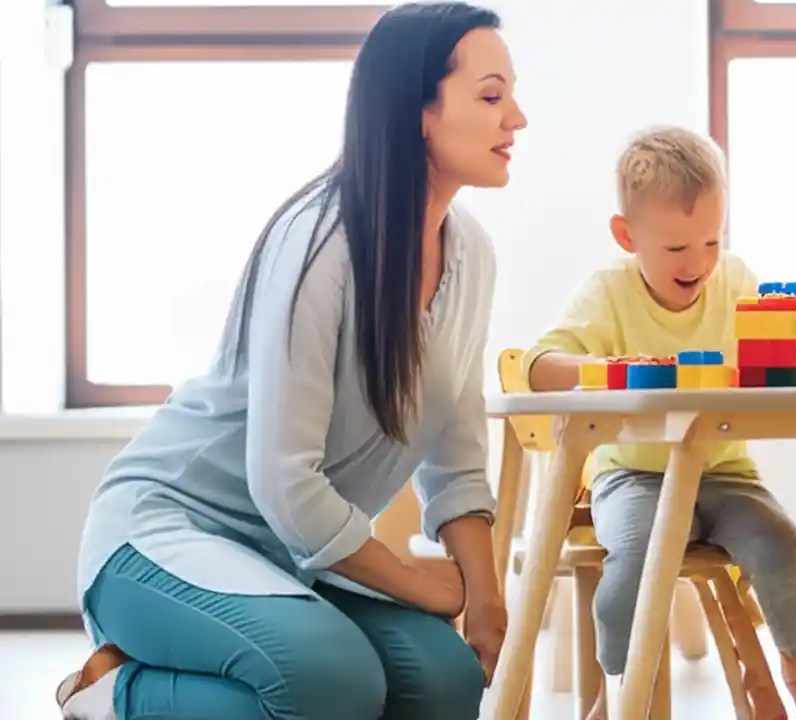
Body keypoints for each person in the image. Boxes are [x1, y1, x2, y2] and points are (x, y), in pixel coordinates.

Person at [54, 3, 527, 719]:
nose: (516, 119)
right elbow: (285, 484)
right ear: (418, 112)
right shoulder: (320, 244)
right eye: (491, 97)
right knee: (334, 681)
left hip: (295, 556)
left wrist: (484, 593)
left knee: (445, 681)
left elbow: (455, 461)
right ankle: (112, 696)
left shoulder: (472, 257)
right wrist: (419, 584)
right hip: (163, 536)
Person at [525, 126, 796, 719]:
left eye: (712, 241)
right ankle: (618, 693)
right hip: (635, 476)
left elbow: (777, 365)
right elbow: (537, 368)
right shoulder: (609, 291)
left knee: (784, 549)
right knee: (633, 567)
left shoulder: (735, 280)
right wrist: (616, 370)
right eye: (676, 248)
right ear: (627, 236)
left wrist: (791, 357)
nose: (699, 263)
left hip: (724, 471)